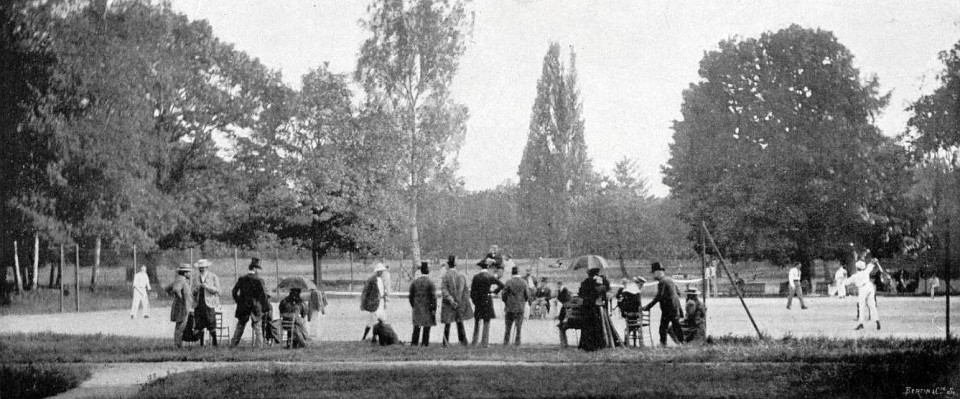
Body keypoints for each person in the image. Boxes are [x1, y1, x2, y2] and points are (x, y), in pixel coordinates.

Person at [577, 263, 619, 351]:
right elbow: (605, 293)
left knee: (589, 326)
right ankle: (600, 343)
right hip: (596, 307)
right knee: (598, 325)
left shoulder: (585, 282)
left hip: (588, 308)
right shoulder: (602, 281)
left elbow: (581, 295)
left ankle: (588, 344)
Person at [230, 258, 270, 348]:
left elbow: (234, 291)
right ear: (255, 269)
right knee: (257, 327)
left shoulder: (242, 279)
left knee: (240, 326)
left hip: (243, 306)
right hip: (255, 306)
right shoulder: (259, 280)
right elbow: (264, 295)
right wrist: (266, 307)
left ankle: (233, 346)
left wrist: (238, 301)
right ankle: (259, 347)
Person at [643, 261, 684, 346]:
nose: (653, 275)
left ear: (658, 272)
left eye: (653, 273)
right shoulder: (670, 279)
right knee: (676, 326)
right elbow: (678, 292)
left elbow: (659, 296)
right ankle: (682, 343)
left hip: (668, 308)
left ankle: (663, 344)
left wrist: (648, 306)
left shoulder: (662, 282)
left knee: (663, 328)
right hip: (675, 307)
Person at [440, 256, 473, 346]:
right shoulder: (460, 275)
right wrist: (458, 301)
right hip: (458, 303)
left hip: (448, 303)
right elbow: (463, 290)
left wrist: (451, 300)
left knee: (448, 323)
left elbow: (444, 290)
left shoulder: (445, 276)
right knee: (459, 321)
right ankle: (463, 340)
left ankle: (445, 342)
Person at [470, 260, 504, 348]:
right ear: (487, 267)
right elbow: (501, 285)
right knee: (486, 322)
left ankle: (474, 341)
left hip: (478, 300)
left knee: (477, 321)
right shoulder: (490, 276)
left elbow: (472, 292)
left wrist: (475, 301)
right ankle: (484, 342)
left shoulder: (476, 277)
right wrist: (494, 292)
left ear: (480, 267)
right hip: (487, 299)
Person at [843, 257, 882, 330]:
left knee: (861, 306)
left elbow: (846, 282)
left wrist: (844, 279)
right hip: (869, 287)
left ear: (857, 268)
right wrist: (874, 261)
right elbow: (871, 264)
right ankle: (877, 321)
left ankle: (861, 323)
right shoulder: (866, 271)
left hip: (862, 289)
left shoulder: (855, 276)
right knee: (872, 305)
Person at [191, 259, 221, 346]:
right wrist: (197, 289)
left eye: (203, 268)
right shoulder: (196, 278)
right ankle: (202, 344)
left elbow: (218, 290)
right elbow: (192, 291)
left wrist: (207, 287)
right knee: (199, 324)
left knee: (211, 322)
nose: (201, 269)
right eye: (200, 268)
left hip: (209, 303)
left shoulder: (213, 277)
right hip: (198, 303)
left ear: (207, 267)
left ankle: (215, 343)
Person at [165, 264, 194, 348]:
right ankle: (178, 346)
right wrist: (181, 299)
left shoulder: (179, 279)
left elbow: (167, 288)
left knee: (180, 326)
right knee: (180, 327)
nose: (190, 274)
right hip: (182, 307)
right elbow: (176, 289)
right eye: (188, 272)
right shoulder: (181, 280)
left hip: (182, 306)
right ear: (185, 273)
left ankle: (178, 345)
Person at [409, 262, 437, 346]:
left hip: (417, 308)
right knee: (426, 327)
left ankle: (414, 343)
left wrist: (414, 305)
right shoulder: (430, 282)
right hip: (427, 308)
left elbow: (411, 296)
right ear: (427, 270)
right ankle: (425, 343)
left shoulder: (415, 282)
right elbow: (433, 297)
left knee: (417, 327)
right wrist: (434, 308)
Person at [501, 266, 531, 345]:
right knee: (519, 327)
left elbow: (503, 295)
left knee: (508, 327)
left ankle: (506, 342)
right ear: (519, 273)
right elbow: (527, 295)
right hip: (520, 307)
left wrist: (506, 302)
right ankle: (517, 342)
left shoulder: (509, 282)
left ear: (512, 273)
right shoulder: (524, 282)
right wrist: (523, 301)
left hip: (509, 307)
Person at [361, 263, 389, 343]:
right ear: (378, 271)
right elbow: (366, 291)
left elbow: (381, 291)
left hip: (380, 302)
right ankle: (369, 337)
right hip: (374, 303)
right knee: (373, 320)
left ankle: (375, 337)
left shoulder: (381, 279)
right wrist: (366, 303)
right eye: (381, 271)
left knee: (380, 320)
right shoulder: (372, 280)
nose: (382, 272)